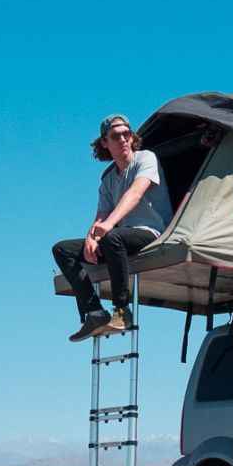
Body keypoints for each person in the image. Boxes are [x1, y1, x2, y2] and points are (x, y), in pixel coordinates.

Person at [53, 114, 173, 341]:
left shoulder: (145, 158)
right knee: (62, 249)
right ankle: (95, 313)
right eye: (116, 136)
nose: (123, 139)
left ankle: (122, 310)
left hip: (151, 233)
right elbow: (101, 217)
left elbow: (135, 193)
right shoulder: (108, 180)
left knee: (112, 238)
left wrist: (106, 228)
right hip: (119, 238)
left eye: (127, 134)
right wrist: (92, 238)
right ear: (104, 143)